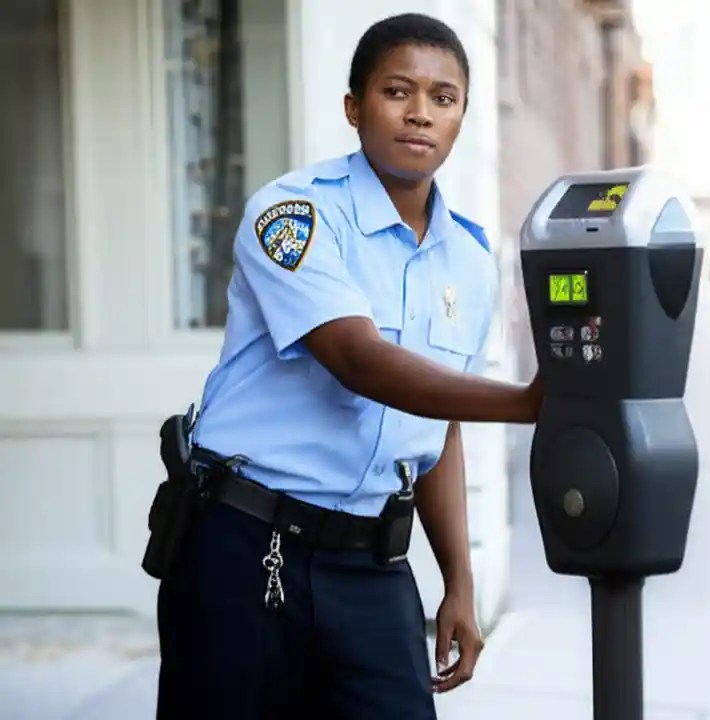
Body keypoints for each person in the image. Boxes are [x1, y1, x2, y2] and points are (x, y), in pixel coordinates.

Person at [154, 13, 540, 719]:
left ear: (461, 115)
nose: (421, 112)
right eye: (398, 91)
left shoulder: (469, 257)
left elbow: (437, 423)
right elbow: (359, 361)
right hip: (248, 552)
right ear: (354, 107)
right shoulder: (293, 215)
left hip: (372, 568)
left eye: (444, 97)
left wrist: (460, 580)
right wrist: (533, 402)